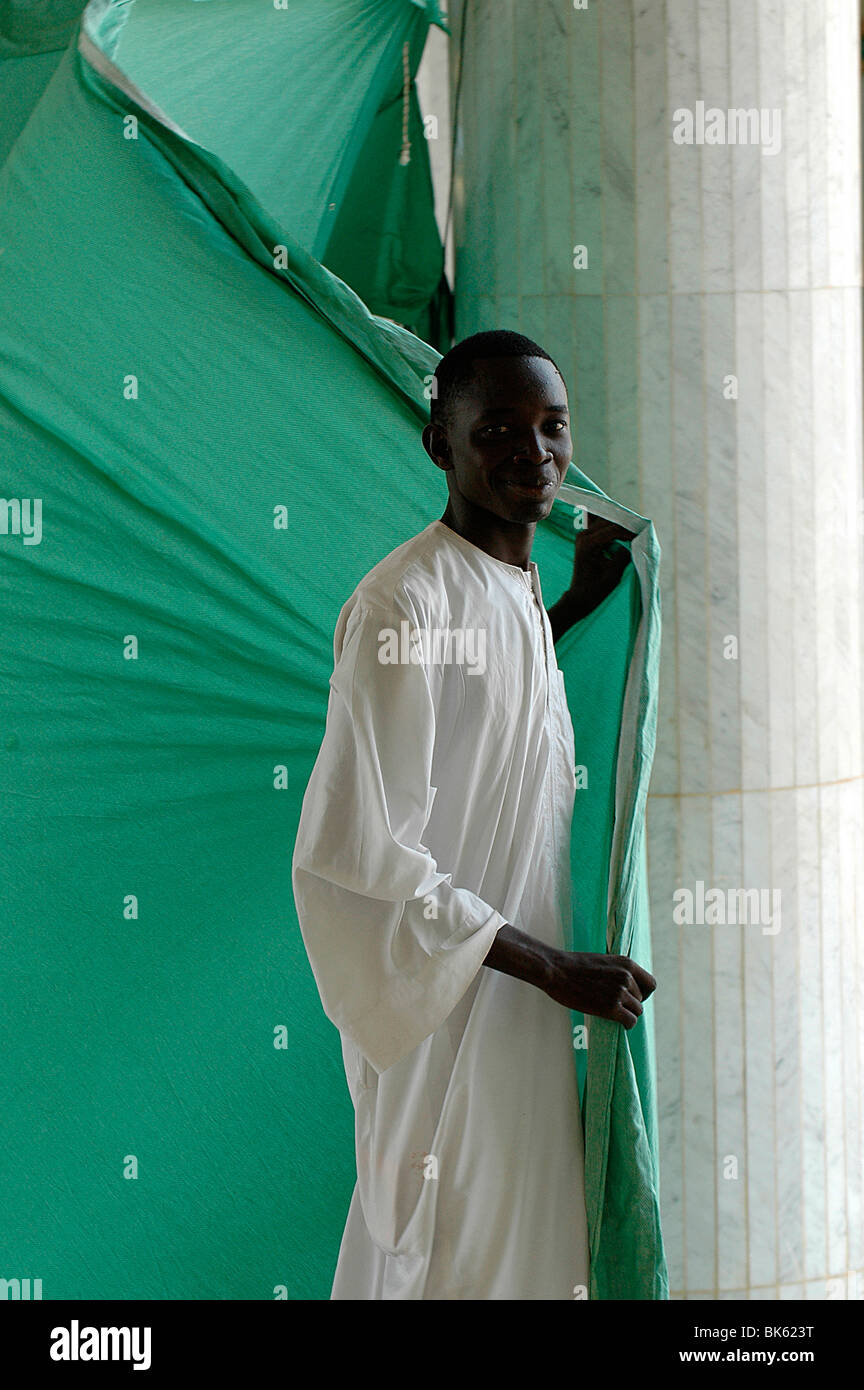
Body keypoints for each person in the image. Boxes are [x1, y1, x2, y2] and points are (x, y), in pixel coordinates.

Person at [291, 329, 657, 1300]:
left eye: (551, 427)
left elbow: (491, 690)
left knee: (525, 1262)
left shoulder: (517, 588)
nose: (532, 453)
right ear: (439, 446)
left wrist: (571, 607)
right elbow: (361, 856)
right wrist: (552, 968)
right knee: (445, 1260)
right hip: (448, 1023)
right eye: (496, 429)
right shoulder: (398, 607)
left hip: (525, 1022)